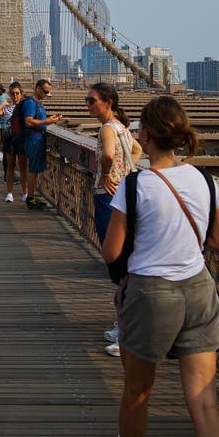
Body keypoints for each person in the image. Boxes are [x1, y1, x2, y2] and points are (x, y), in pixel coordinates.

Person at [102, 96, 219, 437]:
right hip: (200, 291)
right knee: (204, 403)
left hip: (151, 294)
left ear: (145, 133)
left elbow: (111, 252)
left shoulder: (134, 186)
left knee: (137, 394)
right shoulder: (205, 181)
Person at [86, 82, 142, 356]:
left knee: (119, 264)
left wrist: (108, 174)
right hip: (121, 197)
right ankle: (121, 325)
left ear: (107, 102)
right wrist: (124, 177)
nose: (88, 105)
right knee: (125, 265)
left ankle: (126, 334)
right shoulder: (121, 126)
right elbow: (138, 152)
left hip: (107, 198)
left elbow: (108, 155)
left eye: (92, 100)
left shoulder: (108, 128)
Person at [22, 79, 62, 209]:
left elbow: (39, 120)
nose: (46, 94)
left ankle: (32, 196)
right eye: (45, 91)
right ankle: (30, 198)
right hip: (34, 139)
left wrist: (51, 119)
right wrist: (47, 121)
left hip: (38, 138)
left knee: (35, 169)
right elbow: (28, 122)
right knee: (33, 169)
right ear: (37, 88)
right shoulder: (30, 103)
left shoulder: (39, 103)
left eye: (48, 92)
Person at [0, 83, 28, 202]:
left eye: (17, 93)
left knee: (23, 167)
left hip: (21, 139)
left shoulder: (25, 107)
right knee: (10, 166)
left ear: (21, 94)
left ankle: (25, 193)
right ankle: (10, 193)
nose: (15, 95)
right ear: (10, 95)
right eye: (13, 93)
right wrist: (3, 104)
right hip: (10, 139)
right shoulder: (7, 107)